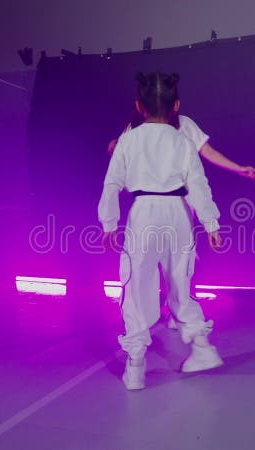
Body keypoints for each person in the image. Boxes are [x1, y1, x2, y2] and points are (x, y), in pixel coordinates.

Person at [99, 72, 225, 390]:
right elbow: (198, 183)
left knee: (136, 283)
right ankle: (201, 346)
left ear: (139, 106)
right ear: (176, 106)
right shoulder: (182, 140)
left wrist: (109, 223)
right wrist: (210, 222)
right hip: (178, 213)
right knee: (180, 279)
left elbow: (112, 183)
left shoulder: (129, 139)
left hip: (144, 213)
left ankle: (136, 364)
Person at [107, 113, 255, 181]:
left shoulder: (184, 123)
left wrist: (238, 168)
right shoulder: (135, 127)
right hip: (147, 201)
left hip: (181, 200)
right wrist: (115, 148)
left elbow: (208, 151)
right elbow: (120, 157)